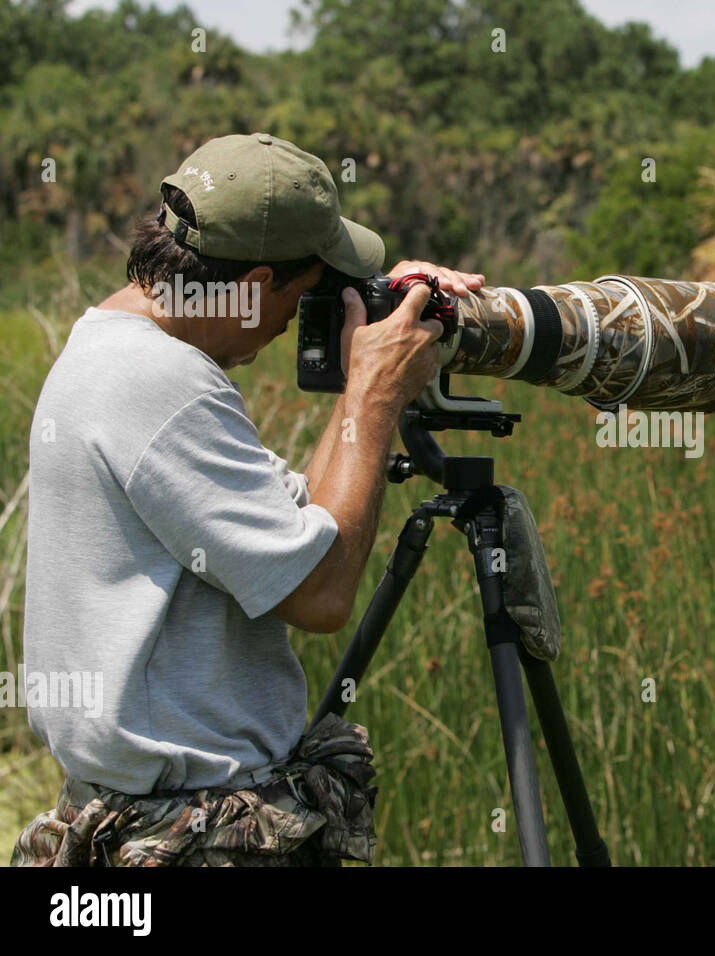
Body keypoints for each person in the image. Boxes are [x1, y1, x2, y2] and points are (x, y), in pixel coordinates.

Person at [11, 132, 483, 866]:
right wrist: (375, 391)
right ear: (256, 282)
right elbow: (321, 593)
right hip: (196, 831)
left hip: (135, 810)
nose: (296, 319)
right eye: (302, 296)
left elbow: (305, 524)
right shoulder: (161, 382)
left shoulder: (109, 346)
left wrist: (374, 333)